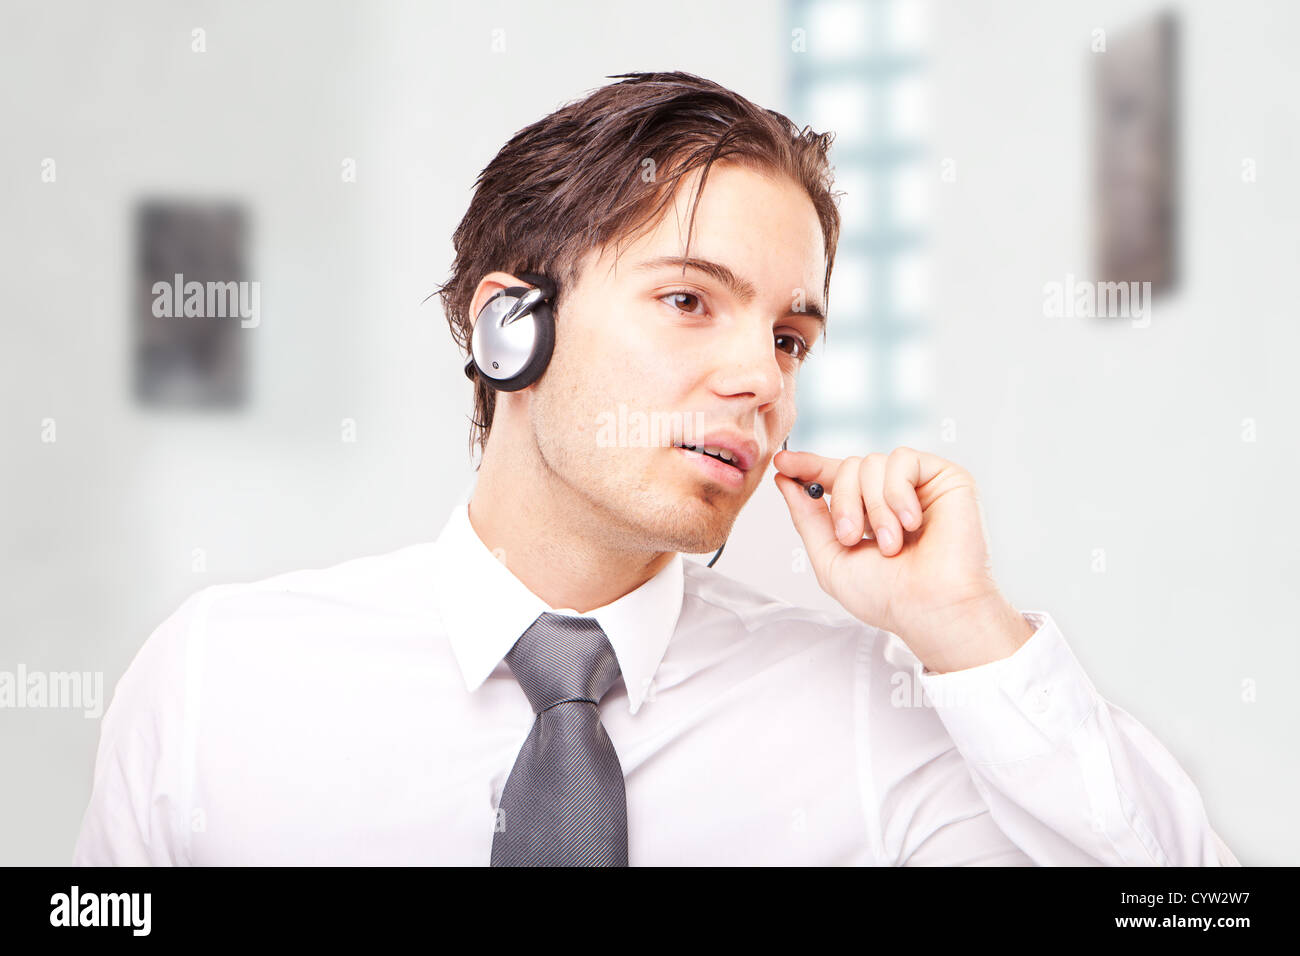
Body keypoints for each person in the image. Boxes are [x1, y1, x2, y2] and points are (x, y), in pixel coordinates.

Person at [73, 71, 1238, 866]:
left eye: (788, 336)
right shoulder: (218, 681)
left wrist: (968, 629)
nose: (758, 378)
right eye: (689, 300)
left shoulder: (868, 708)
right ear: (508, 328)